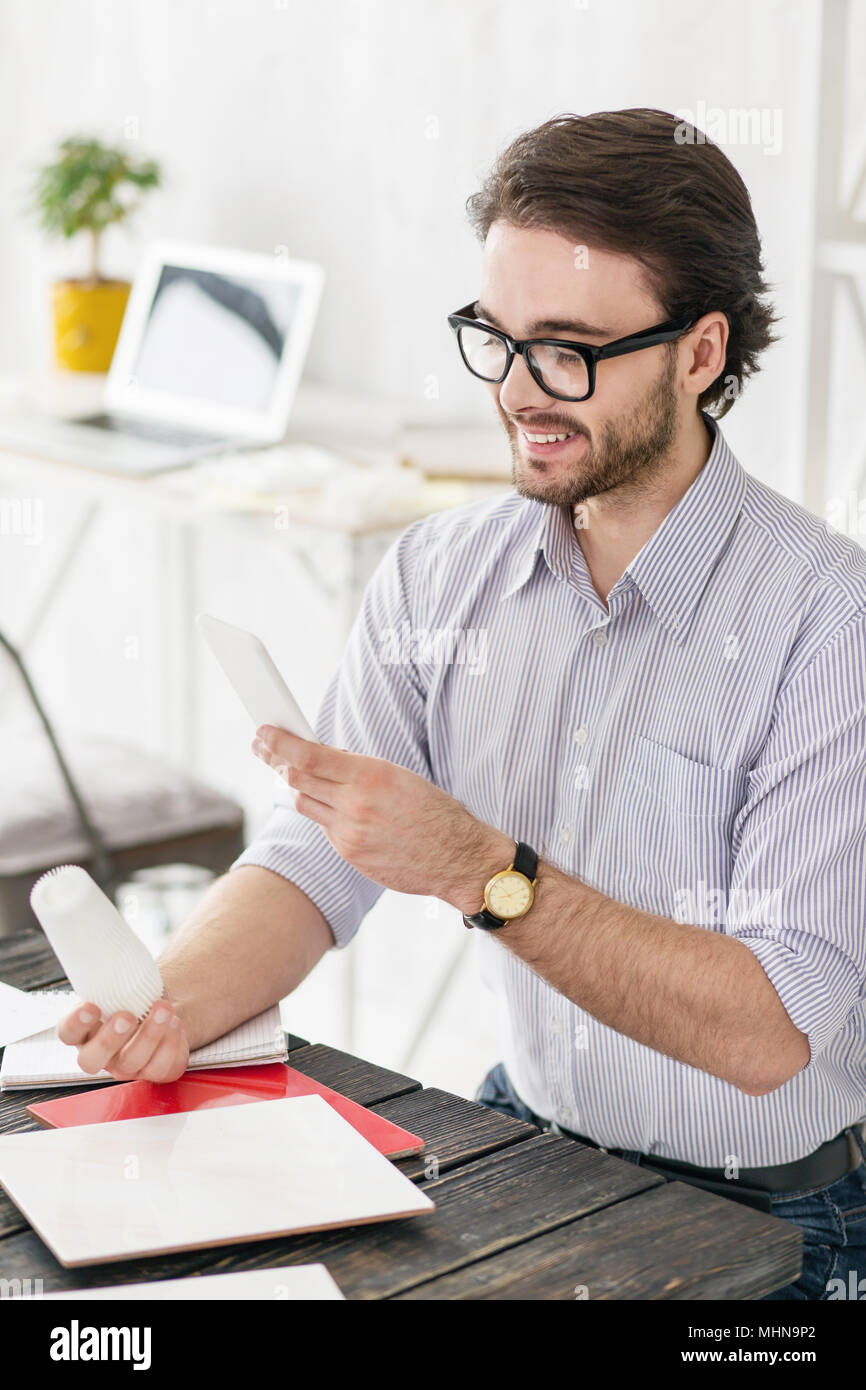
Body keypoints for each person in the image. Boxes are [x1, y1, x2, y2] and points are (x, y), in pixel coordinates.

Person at [59, 110, 866, 1301]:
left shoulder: (826, 621)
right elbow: (312, 859)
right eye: (497, 338)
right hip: (531, 1145)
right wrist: (166, 1005)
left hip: (773, 1214)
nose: (520, 392)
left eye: (569, 351)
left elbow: (769, 1032)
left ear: (700, 354)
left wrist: (483, 871)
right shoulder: (442, 576)